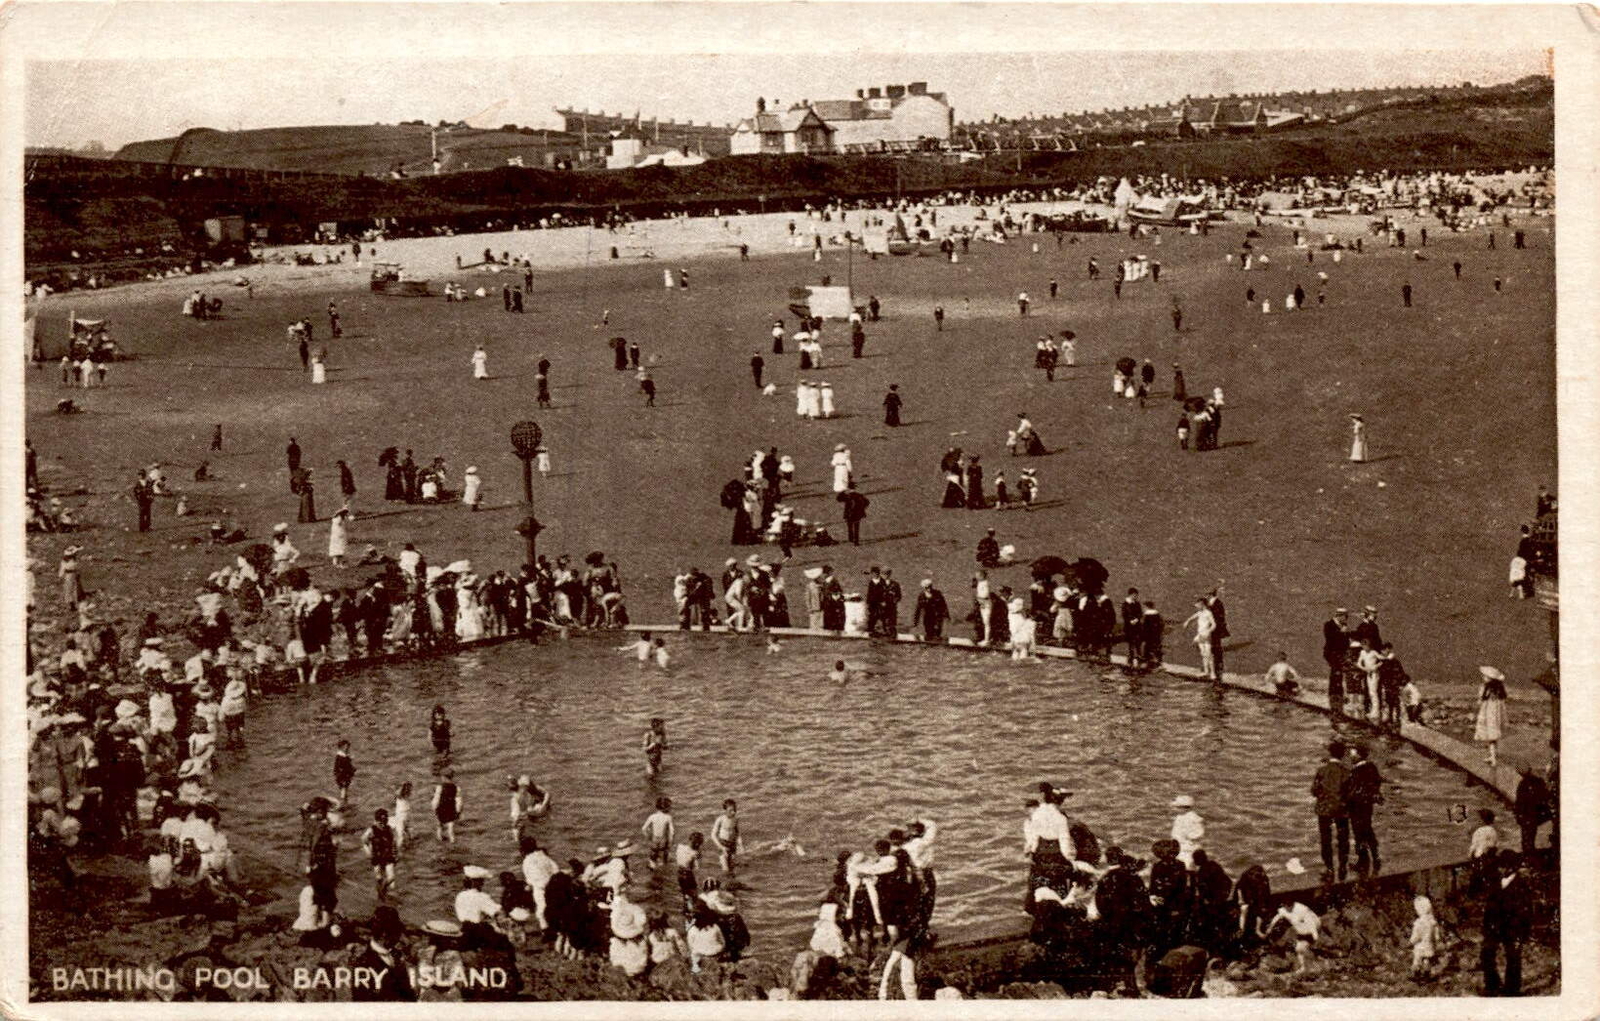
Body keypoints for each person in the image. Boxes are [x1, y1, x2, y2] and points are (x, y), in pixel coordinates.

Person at [1480, 851, 1532, 996]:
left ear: (1511, 867)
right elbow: (1489, 906)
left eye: (1503, 866)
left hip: (1513, 929)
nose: (1500, 869)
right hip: (1493, 927)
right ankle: (1492, 985)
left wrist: (1523, 933)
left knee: (1513, 958)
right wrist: (1487, 926)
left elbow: (1526, 911)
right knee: (1486, 954)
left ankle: (1512, 989)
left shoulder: (1521, 886)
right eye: (1499, 866)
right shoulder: (1495, 882)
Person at [1313, 740, 1350, 880]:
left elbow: (1314, 790)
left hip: (1324, 809)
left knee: (1326, 839)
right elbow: (1350, 793)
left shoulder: (1322, 771)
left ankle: (1329, 868)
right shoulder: (1347, 772)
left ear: (1330, 753)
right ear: (1343, 755)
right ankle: (1342, 866)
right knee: (1343, 839)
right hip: (1341, 809)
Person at [1344, 742, 1383, 874]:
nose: (1350, 755)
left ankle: (1363, 861)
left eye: (1353, 753)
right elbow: (1376, 783)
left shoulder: (1356, 771)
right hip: (1367, 805)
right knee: (1368, 830)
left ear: (1359, 755)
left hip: (1357, 806)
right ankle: (1376, 857)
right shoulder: (1371, 767)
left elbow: (1352, 791)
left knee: (1359, 833)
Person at [1513, 766, 1552, 855]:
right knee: (1531, 837)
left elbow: (1519, 802)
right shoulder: (1539, 781)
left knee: (1526, 839)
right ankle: (1530, 855)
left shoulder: (1522, 785)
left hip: (1527, 816)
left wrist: (1518, 816)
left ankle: (1529, 857)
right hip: (1535, 815)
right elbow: (1545, 797)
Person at [1475, 666, 1509, 766]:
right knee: (1493, 737)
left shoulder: (1486, 688)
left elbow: (1481, 699)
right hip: (1496, 715)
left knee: (1491, 737)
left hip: (1488, 713)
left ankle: (1493, 758)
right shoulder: (1499, 690)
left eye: (1485, 676)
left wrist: (1480, 700)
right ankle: (1492, 756)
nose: (1483, 678)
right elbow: (1504, 698)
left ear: (1490, 678)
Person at [362, 807, 398, 896]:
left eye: (385, 822)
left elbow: (394, 842)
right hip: (377, 857)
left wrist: (396, 853)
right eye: (380, 822)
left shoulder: (389, 829)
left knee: (391, 878)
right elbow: (363, 840)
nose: (383, 825)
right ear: (376, 821)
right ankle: (381, 895)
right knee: (379, 878)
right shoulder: (372, 830)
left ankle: (384, 888)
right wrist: (368, 852)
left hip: (388, 856)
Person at [1410, 895, 1440, 981]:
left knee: (1417, 960)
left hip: (1420, 946)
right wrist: (1435, 942)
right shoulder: (1433, 922)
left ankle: (1417, 975)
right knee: (1427, 960)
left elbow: (1416, 936)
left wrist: (1412, 941)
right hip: (1429, 945)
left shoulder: (1418, 923)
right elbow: (1437, 936)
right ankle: (1427, 976)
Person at [1170, 795, 1205, 867]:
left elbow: (1199, 833)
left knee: (1187, 865)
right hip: (1179, 846)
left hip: (1188, 847)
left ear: (1184, 808)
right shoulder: (1179, 816)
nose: (1175, 809)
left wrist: (1189, 835)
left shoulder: (1194, 818)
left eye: (1177, 807)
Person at [433, 769, 462, 842]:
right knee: (451, 829)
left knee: (439, 827)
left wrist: (434, 809)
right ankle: (452, 842)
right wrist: (458, 811)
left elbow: (436, 800)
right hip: (451, 809)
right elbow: (459, 801)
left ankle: (440, 842)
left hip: (441, 809)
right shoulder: (456, 788)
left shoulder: (440, 787)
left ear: (443, 777)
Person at [333, 739, 356, 805]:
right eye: (346, 747)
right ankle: (343, 802)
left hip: (345, 775)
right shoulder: (341, 757)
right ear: (342, 747)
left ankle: (344, 802)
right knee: (344, 788)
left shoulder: (343, 756)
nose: (347, 748)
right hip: (343, 776)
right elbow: (342, 767)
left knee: (345, 789)